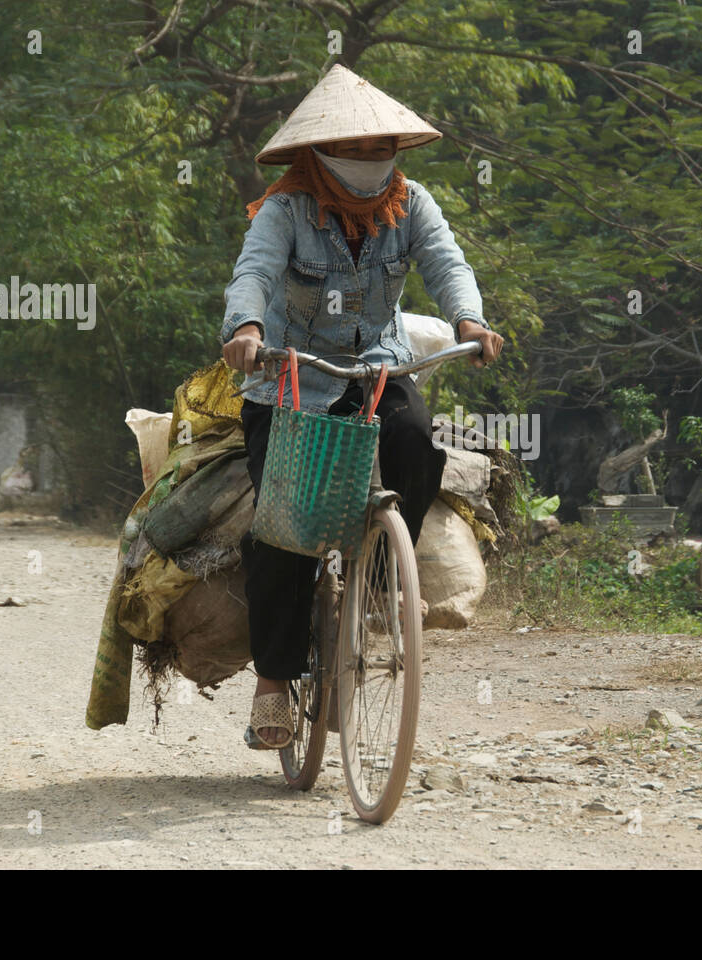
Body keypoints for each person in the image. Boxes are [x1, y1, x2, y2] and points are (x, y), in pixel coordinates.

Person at [219, 64, 504, 750]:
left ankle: (378, 572)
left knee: (415, 448)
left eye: (385, 150)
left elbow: (447, 262)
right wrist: (246, 330)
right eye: (359, 150)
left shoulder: (413, 204)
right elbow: (253, 271)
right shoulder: (286, 209)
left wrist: (469, 320)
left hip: (377, 366)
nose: (375, 162)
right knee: (283, 527)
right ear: (321, 155)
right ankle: (274, 681)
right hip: (291, 377)